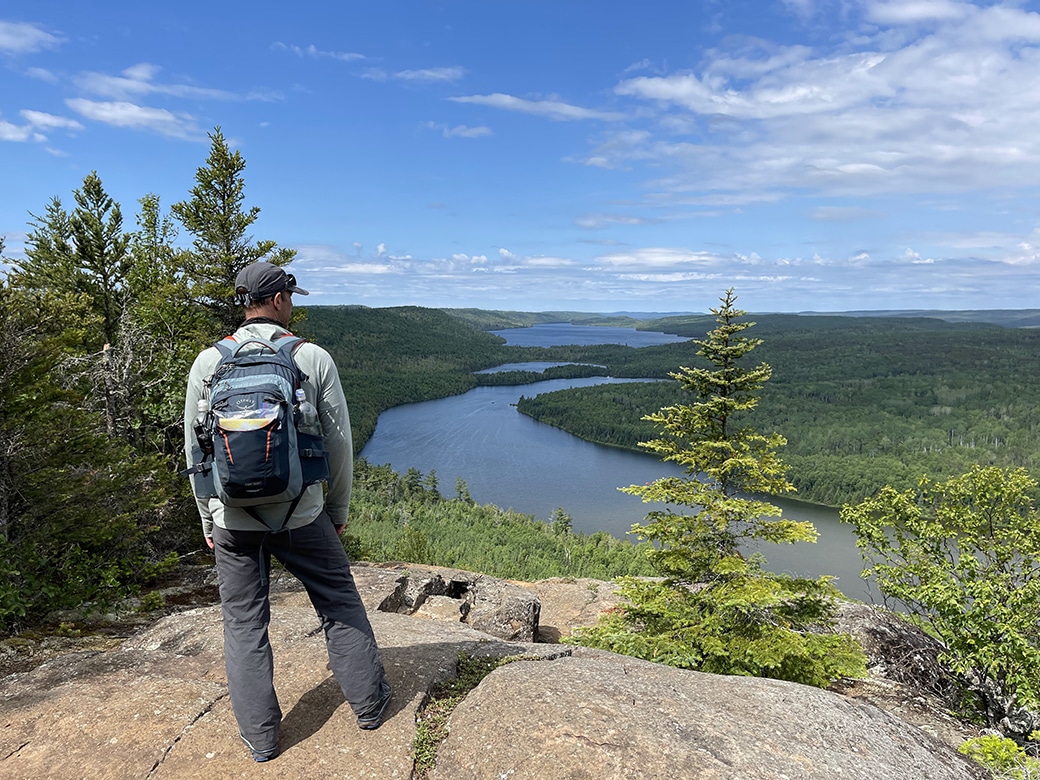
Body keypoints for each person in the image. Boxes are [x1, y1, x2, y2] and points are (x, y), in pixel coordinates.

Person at [183, 261, 391, 763]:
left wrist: (208, 516)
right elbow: (338, 446)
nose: (293, 304)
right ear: (278, 300)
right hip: (302, 513)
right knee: (338, 603)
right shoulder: (311, 357)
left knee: (243, 623)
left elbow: (195, 450)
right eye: (291, 297)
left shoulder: (208, 363)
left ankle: (262, 739)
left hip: (233, 520)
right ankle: (370, 706)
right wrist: (336, 509)